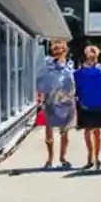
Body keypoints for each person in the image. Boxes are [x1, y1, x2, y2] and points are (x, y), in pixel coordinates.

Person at [36, 39, 76, 169]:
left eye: (61, 50)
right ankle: (50, 158)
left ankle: (63, 157)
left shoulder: (70, 66)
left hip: (66, 102)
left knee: (64, 132)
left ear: (65, 51)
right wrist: (40, 100)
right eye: (55, 50)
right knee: (49, 132)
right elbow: (41, 82)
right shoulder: (48, 66)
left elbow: (73, 83)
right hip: (50, 101)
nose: (58, 52)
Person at [73, 45, 101, 170]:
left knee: (97, 132)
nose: (91, 56)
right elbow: (75, 84)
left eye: (93, 54)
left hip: (98, 104)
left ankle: (97, 156)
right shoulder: (80, 72)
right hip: (85, 103)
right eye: (89, 54)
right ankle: (90, 156)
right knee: (87, 131)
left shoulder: (100, 70)